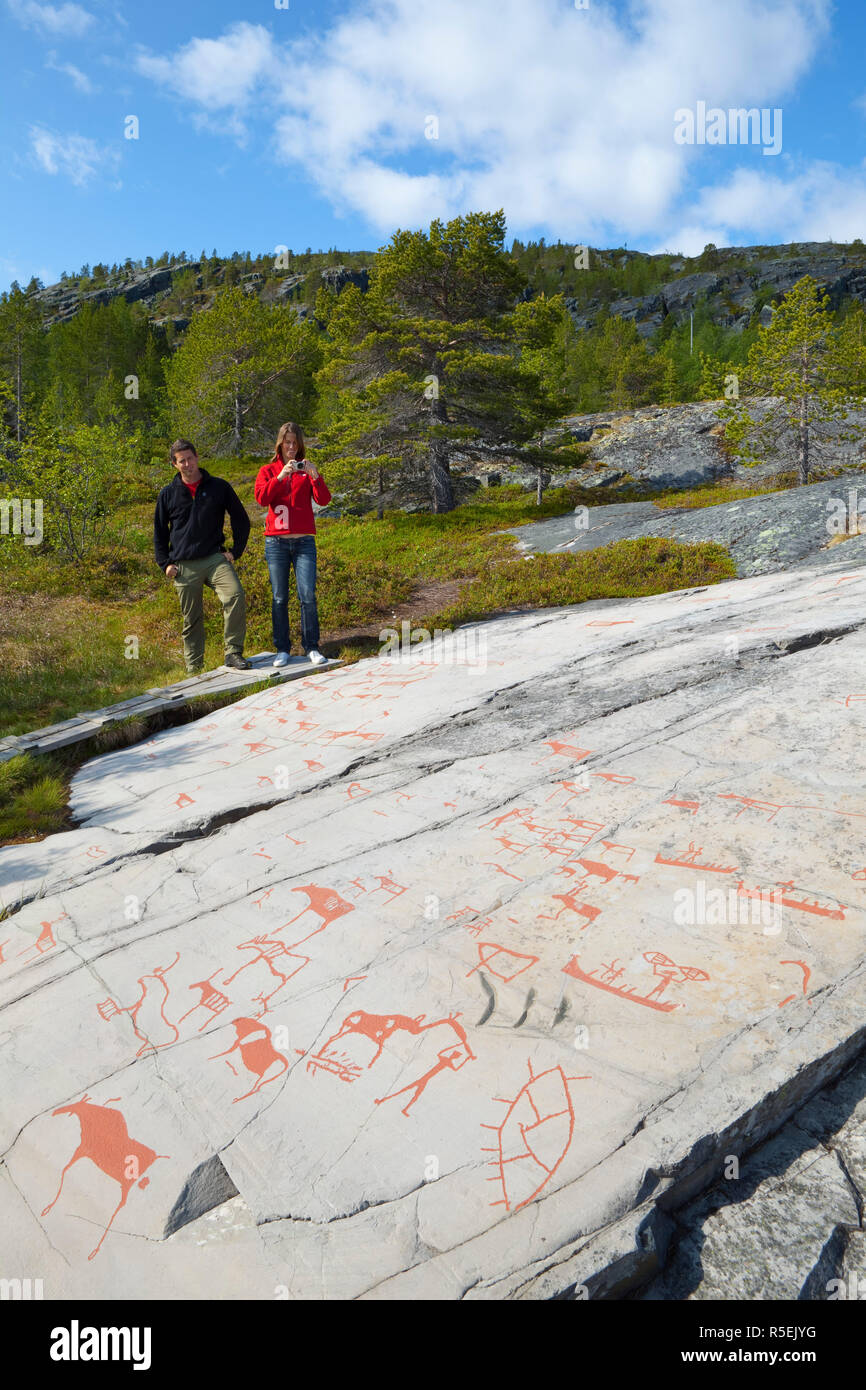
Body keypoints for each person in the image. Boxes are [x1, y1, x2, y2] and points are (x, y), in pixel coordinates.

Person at [154, 439, 251, 674]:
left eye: (190, 458)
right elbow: (159, 532)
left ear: (197, 457)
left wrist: (235, 551)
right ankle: (194, 669)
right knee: (192, 619)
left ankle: (233, 652)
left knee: (235, 595)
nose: (187, 464)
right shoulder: (168, 494)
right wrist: (165, 564)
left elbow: (241, 519)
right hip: (184, 565)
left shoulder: (219, 487)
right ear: (174, 464)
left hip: (214, 559)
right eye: (181, 461)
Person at [254, 422, 331, 667]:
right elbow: (261, 498)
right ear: (280, 444)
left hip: (304, 542)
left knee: (307, 595)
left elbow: (324, 500)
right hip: (275, 542)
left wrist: (315, 476)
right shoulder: (268, 470)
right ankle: (282, 649)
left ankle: (311, 647)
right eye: (287, 442)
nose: (291, 447)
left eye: (295, 443)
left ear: (300, 446)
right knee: (279, 597)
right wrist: (280, 476)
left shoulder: (306, 470)